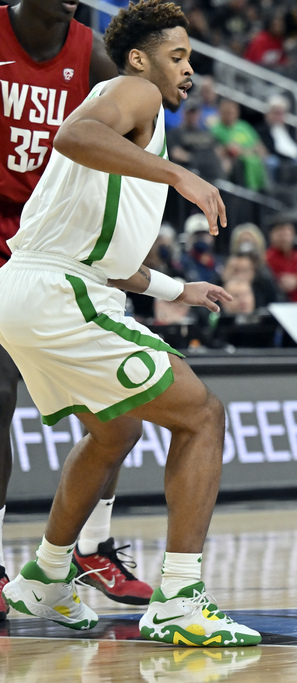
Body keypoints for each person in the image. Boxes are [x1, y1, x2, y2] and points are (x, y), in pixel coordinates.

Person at [0, 0, 259, 645]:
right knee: (202, 416)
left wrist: (178, 288)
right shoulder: (133, 90)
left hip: (34, 288)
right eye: (178, 57)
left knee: (115, 431)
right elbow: (71, 135)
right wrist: (180, 175)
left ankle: (45, 579)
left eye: (191, 58)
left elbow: (108, 261)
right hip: (58, 292)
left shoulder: (135, 119)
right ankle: (179, 599)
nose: (189, 70)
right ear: (141, 59)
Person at [0, 0, 153, 618]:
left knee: (113, 400)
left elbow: (134, 125)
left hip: (57, 239)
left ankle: (91, 548)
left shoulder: (91, 52)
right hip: (9, 242)